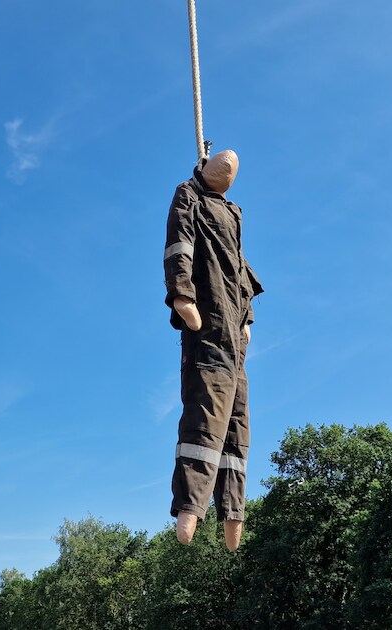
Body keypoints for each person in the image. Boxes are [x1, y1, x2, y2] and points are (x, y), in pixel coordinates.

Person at [162, 149, 263, 552]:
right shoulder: (189, 195)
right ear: (202, 167)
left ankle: (233, 512)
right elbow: (179, 243)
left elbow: (239, 266)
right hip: (205, 326)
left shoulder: (233, 212)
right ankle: (190, 506)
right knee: (206, 413)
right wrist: (182, 296)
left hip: (234, 336)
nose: (227, 167)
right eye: (216, 163)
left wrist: (248, 318)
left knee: (237, 425)